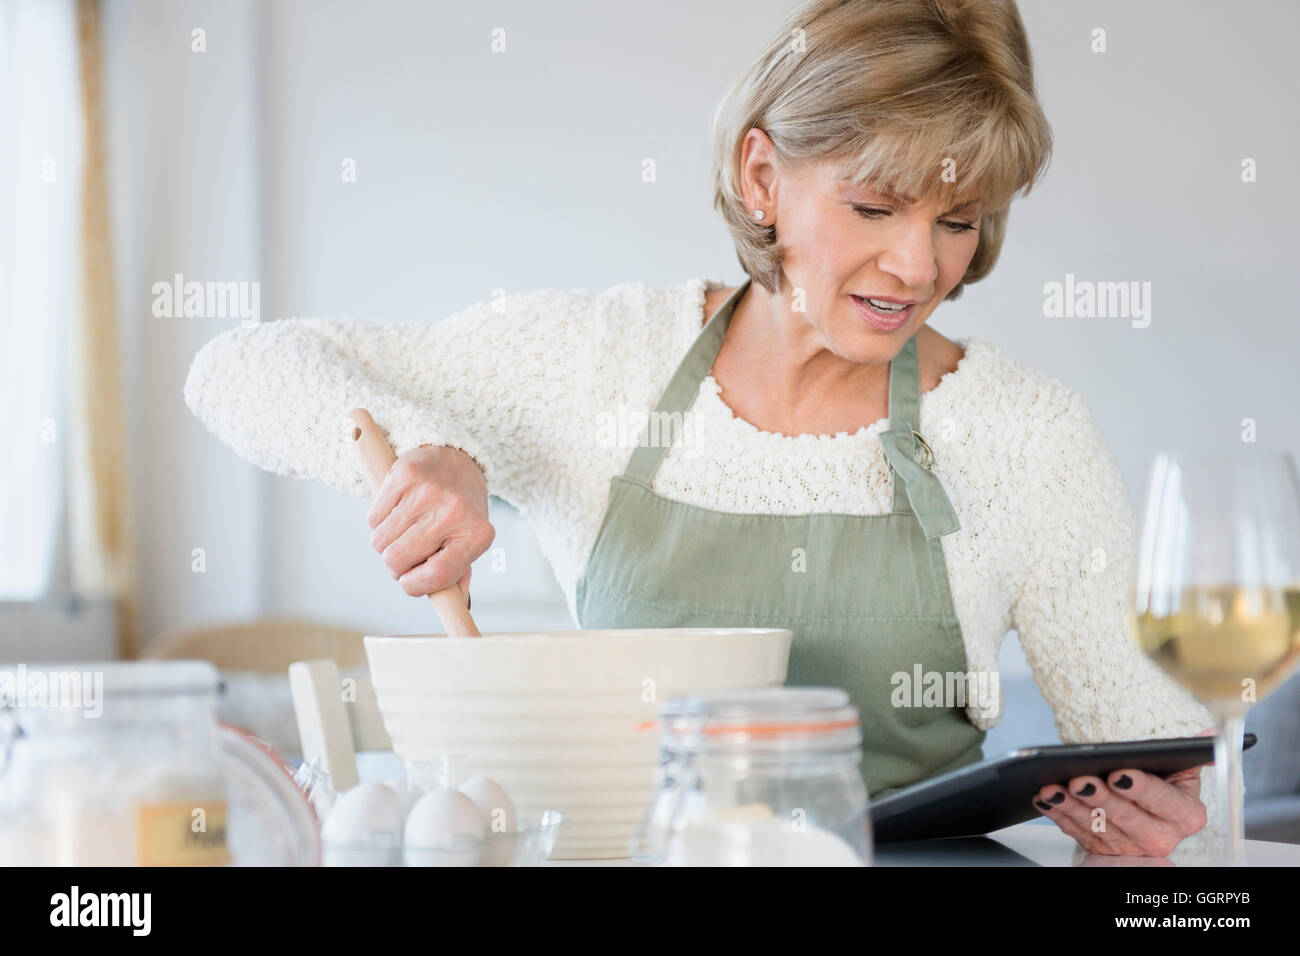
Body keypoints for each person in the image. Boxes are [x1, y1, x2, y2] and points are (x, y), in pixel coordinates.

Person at [185, 0, 1224, 857]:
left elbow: (1166, 771)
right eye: (874, 207)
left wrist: (1139, 837)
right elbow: (236, 367)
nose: (919, 268)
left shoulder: (1025, 432)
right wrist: (434, 450)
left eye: (956, 221)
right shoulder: (600, 360)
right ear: (761, 176)